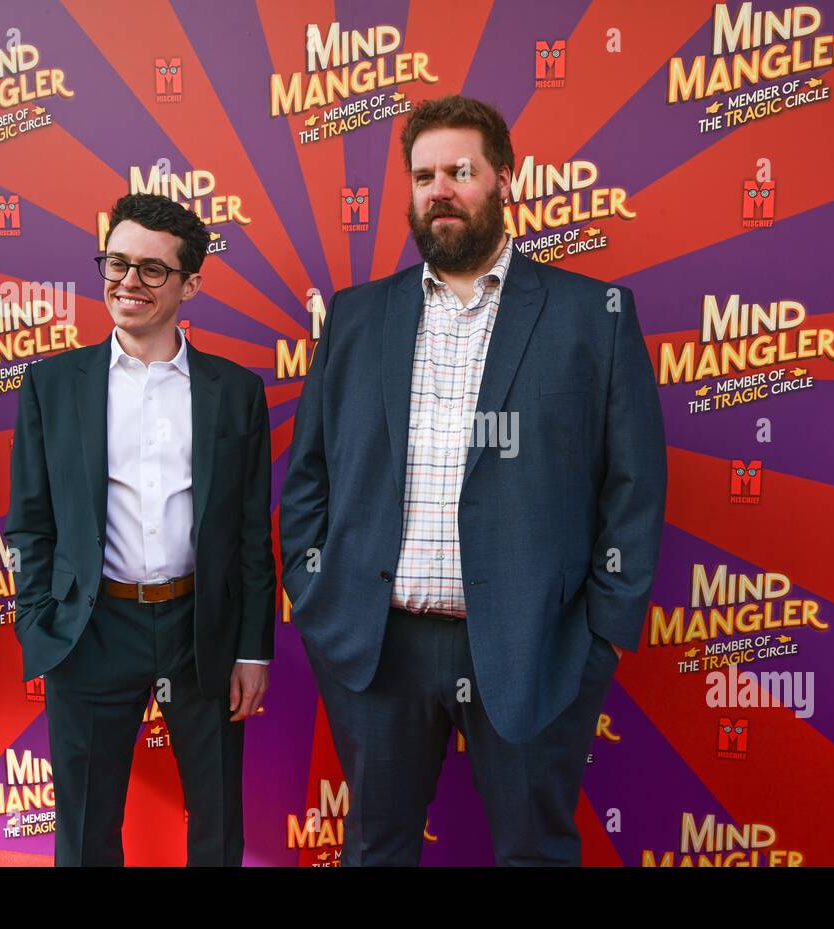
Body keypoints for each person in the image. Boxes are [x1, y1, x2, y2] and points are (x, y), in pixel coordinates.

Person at [280, 95, 666, 866]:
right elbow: (310, 472)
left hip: (538, 645)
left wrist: (602, 635)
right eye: (423, 175)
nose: (440, 190)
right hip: (376, 646)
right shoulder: (356, 319)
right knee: (376, 848)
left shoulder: (594, 316)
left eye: (461, 170)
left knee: (536, 852)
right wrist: (317, 593)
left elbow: (634, 483)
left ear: (504, 178)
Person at [5, 193, 275, 866]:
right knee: (87, 822)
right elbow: (31, 521)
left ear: (190, 284)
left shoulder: (234, 391)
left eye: (152, 270)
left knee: (216, 818)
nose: (128, 282)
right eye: (117, 263)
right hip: (92, 631)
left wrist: (252, 650)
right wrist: (41, 619)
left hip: (200, 629)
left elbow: (249, 534)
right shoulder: (52, 385)